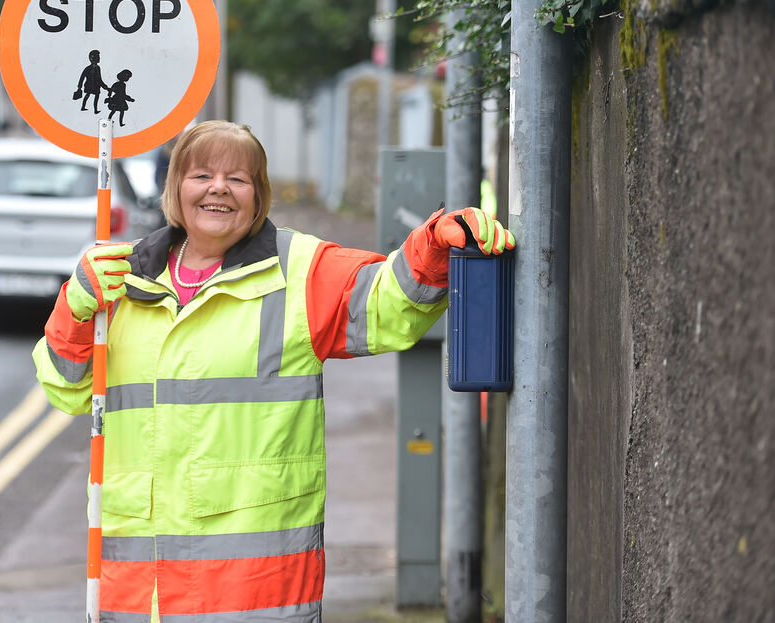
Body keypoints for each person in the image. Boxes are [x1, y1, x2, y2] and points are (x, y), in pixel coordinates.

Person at [32, 120, 514, 622]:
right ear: (175, 188)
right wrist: (76, 304)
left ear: (259, 197)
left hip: (255, 599)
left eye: (238, 178)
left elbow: (388, 303)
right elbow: (66, 390)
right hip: (136, 600)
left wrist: (434, 245)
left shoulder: (300, 269)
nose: (219, 187)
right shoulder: (120, 279)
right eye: (201, 174)